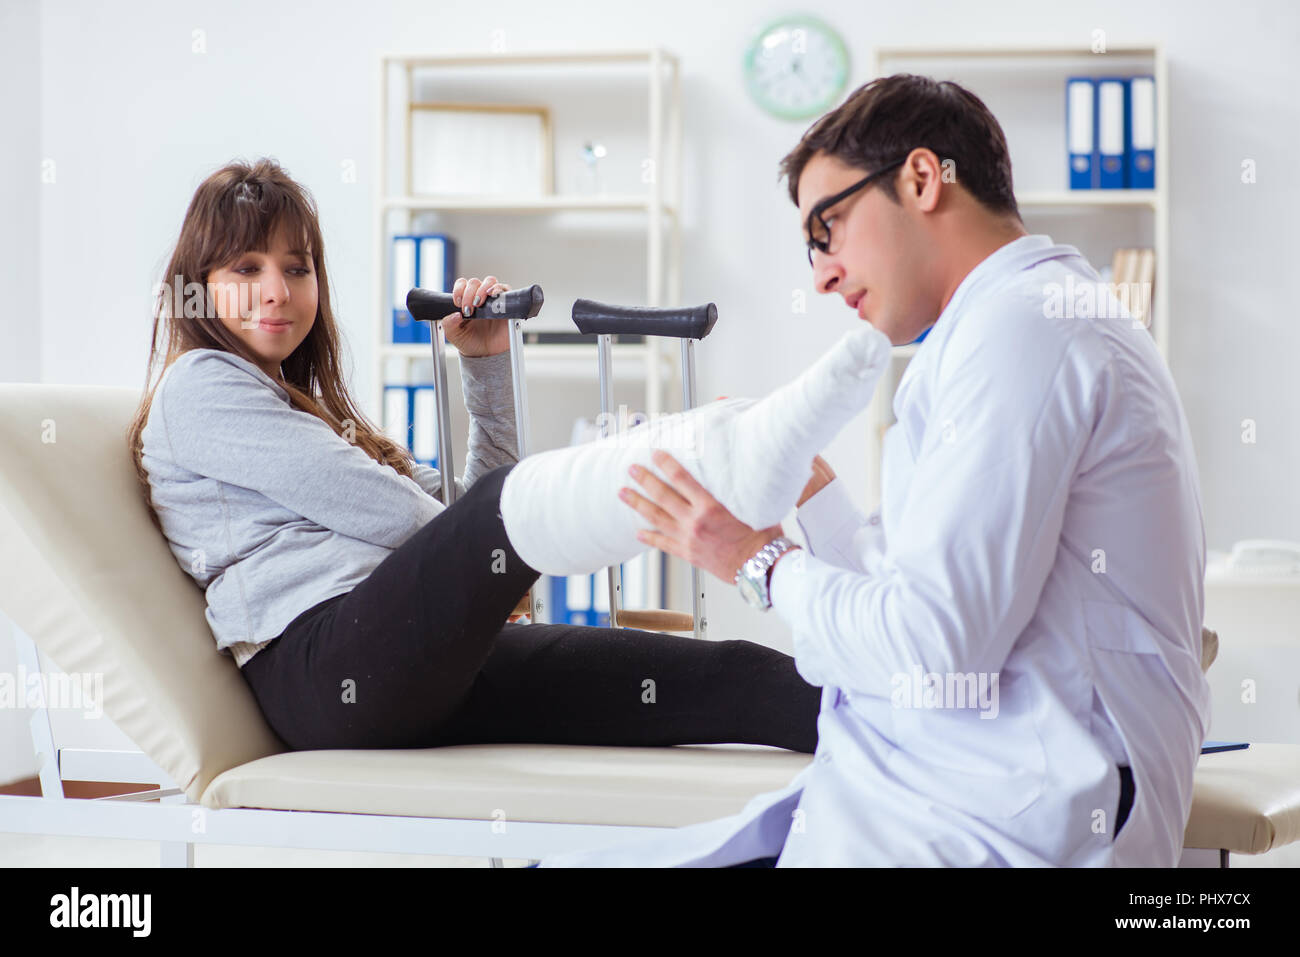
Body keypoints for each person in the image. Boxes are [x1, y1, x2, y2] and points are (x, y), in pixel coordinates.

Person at [537, 74, 1212, 867]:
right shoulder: (997, 331)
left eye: (829, 227)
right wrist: (812, 497)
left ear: (923, 179)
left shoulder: (1022, 330)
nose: (821, 273)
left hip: (995, 827)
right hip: (937, 801)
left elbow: (935, 647)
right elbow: (918, 606)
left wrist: (750, 556)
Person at [128, 157, 895, 758]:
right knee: (506, 513)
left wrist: (486, 364)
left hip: (420, 663)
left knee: (730, 675)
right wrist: (493, 550)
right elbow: (416, 517)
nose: (279, 291)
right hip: (330, 671)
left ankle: (917, 725)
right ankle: (722, 453)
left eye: (297, 269)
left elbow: (462, 508)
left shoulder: (302, 405)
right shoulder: (200, 387)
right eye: (246, 270)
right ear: (197, 286)